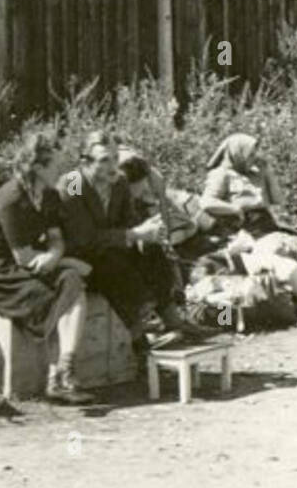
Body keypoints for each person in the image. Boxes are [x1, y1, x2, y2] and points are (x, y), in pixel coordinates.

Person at [57, 131, 204, 354]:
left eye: (116, 158)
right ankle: (140, 337)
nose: (113, 166)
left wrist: (147, 234)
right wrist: (134, 234)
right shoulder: (73, 183)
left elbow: (129, 219)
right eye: (105, 160)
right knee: (112, 263)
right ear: (84, 162)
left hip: (112, 246)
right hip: (80, 257)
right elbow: (83, 237)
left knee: (152, 250)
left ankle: (171, 318)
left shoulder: (119, 181)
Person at [0, 133, 92, 404]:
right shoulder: (10, 200)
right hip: (1, 271)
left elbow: (55, 235)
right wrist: (65, 261)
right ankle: (56, 379)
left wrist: (55, 253)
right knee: (58, 293)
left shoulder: (49, 194)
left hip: (37, 260)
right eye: (55, 166)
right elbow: (23, 258)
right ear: (37, 168)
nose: (61, 171)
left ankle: (64, 369)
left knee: (73, 282)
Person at [201, 133, 285, 220]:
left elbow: (277, 200)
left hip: (266, 223)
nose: (255, 158)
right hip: (240, 226)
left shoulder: (255, 173)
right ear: (238, 154)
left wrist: (268, 171)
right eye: (250, 155)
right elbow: (207, 202)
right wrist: (234, 209)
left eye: (255, 154)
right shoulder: (222, 174)